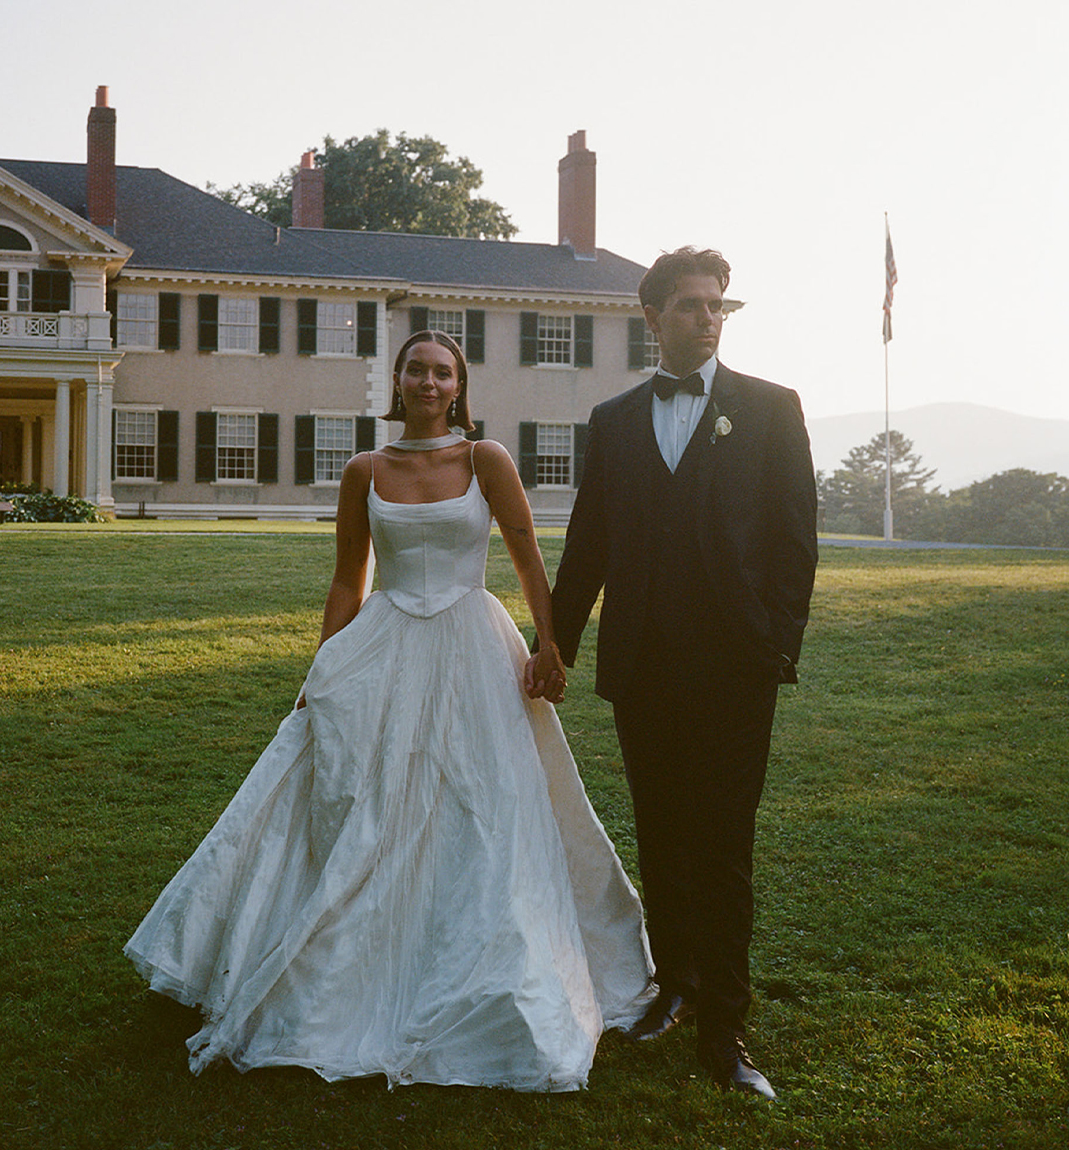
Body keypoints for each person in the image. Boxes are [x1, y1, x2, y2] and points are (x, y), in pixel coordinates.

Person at [124, 330, 653, 1091]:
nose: (429, 382)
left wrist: (549, 646)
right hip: (385, 645)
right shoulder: (364, 470)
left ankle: (492, 965)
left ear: (459, 386)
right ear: (397, 382)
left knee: (487, 802)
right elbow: (349, 578)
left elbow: (528, 553)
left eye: (443, 372)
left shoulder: (485, 460)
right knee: (363, 801)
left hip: (475, 646)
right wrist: (324, 663)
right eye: (417, 370)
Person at [528, 247, 817, 1100]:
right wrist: (558, 643)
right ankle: (676, 988)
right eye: (690, 305)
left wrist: (775, 643)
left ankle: (727, 1033)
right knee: (661, 835)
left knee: (723, 847)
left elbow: (795, 541)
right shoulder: (614, 421)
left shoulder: (770, 409)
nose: (708, 317)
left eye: (717, 305)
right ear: (652, 317)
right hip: (643, 667)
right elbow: (590, 544)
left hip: (736, 671)